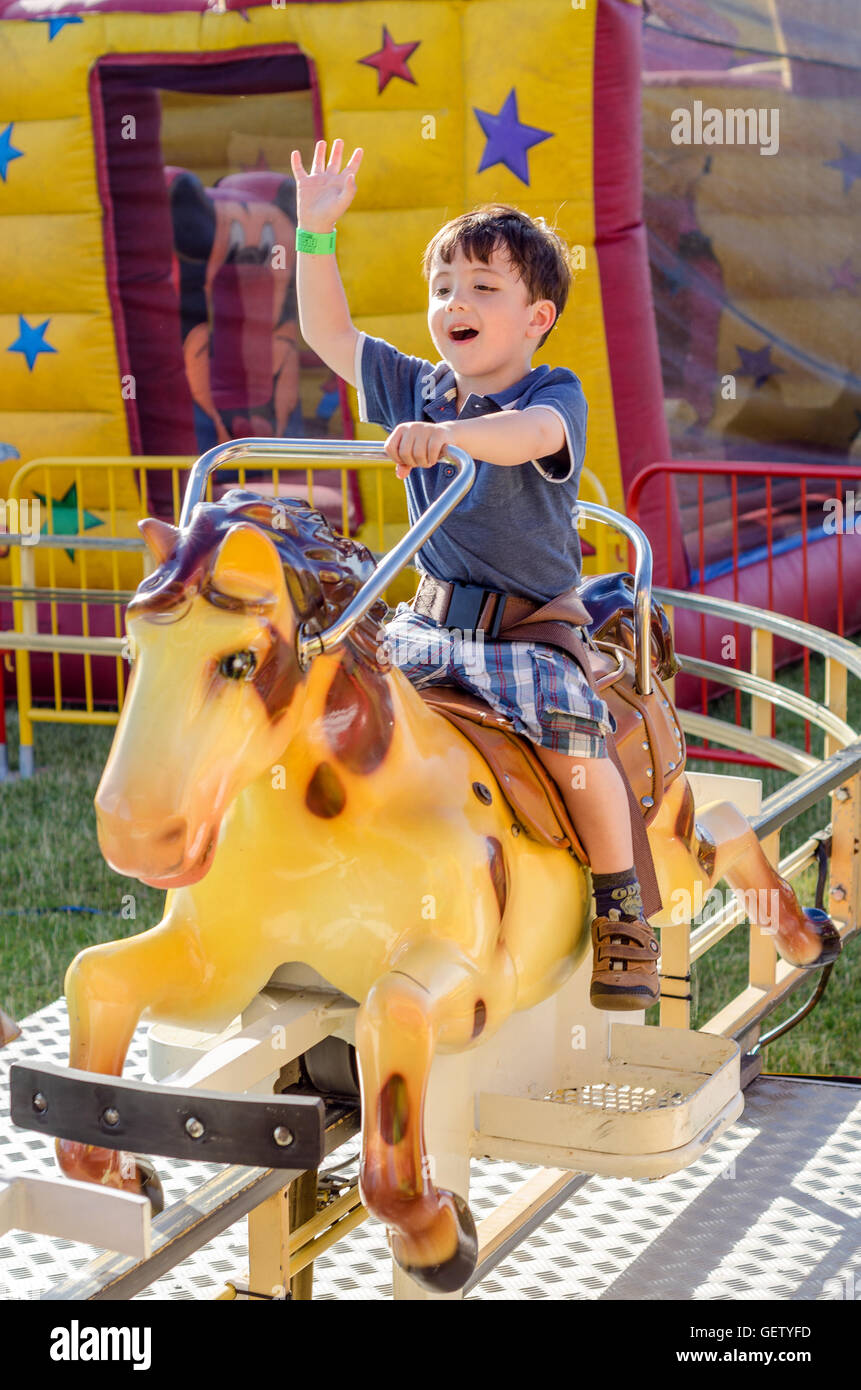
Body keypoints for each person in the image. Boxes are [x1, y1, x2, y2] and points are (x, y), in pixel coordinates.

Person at [289, 138, 661, 1011]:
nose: (457, 303)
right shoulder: (414, 388)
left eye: (484, 289)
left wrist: (449, 439)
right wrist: (312, 236)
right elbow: (328, 333)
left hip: (526, 630)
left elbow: (527, 439)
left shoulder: (551, 391)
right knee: (333, 708)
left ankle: (620, 909)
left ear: (535, 317)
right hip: (429, 624)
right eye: (444, 288)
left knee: (573, 745)